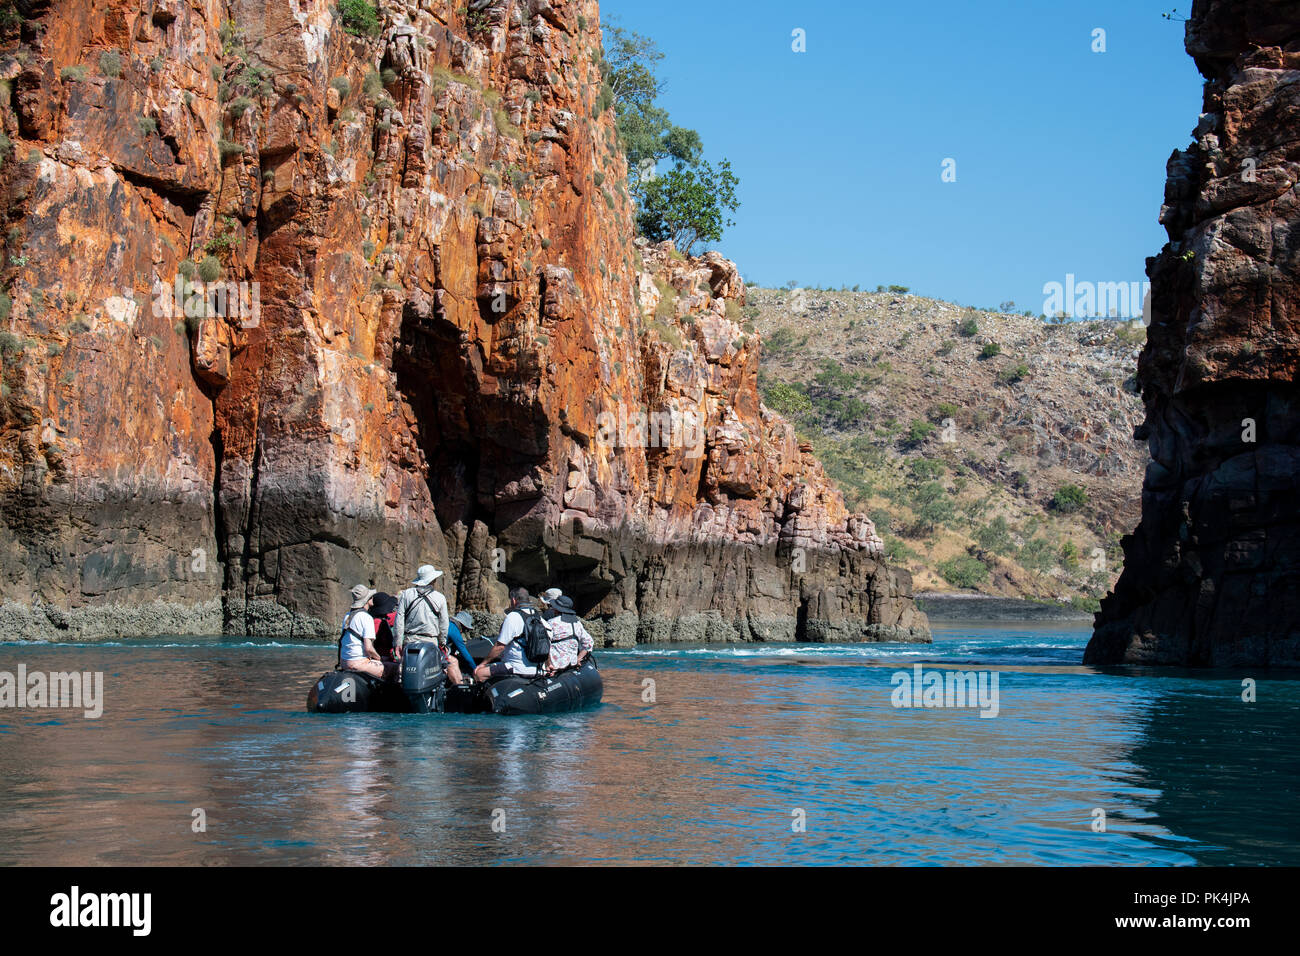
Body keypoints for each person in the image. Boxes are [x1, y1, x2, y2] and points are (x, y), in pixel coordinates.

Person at [394, 564, 466, 685]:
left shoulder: (406, 594)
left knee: (403, 674)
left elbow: (399, 620)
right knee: (434, 672)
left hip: (410, 640)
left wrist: (397, 643)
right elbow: (444, 624)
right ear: (433, 580)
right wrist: (442, 642)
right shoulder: (440, 598)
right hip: (430, 641)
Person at [475, 587, 550, 682]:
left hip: (516, 668)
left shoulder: (513, 617)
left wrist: (483, 663)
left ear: (514, 600)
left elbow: (499, 647)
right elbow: (547, 643)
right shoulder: (539, 618)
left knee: (480, 673)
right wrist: (548, 664)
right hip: (538, 669)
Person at [338, 585, 398, 681]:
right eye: (371, 597)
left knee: (384, 660)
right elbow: (368, 648)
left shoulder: (347, 616)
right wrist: (380, 659)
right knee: (398, 668)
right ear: (368, 600)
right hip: (358, 664)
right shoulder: (366, 617)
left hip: (344, 662)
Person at [544, 595, 593, 674]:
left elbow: (544, 645)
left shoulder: (551, 623)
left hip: (556, 667)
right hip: (572, 665)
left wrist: (548, 664)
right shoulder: (577, 623)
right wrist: (578, 659)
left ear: (556, 609)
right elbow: (589, 643)